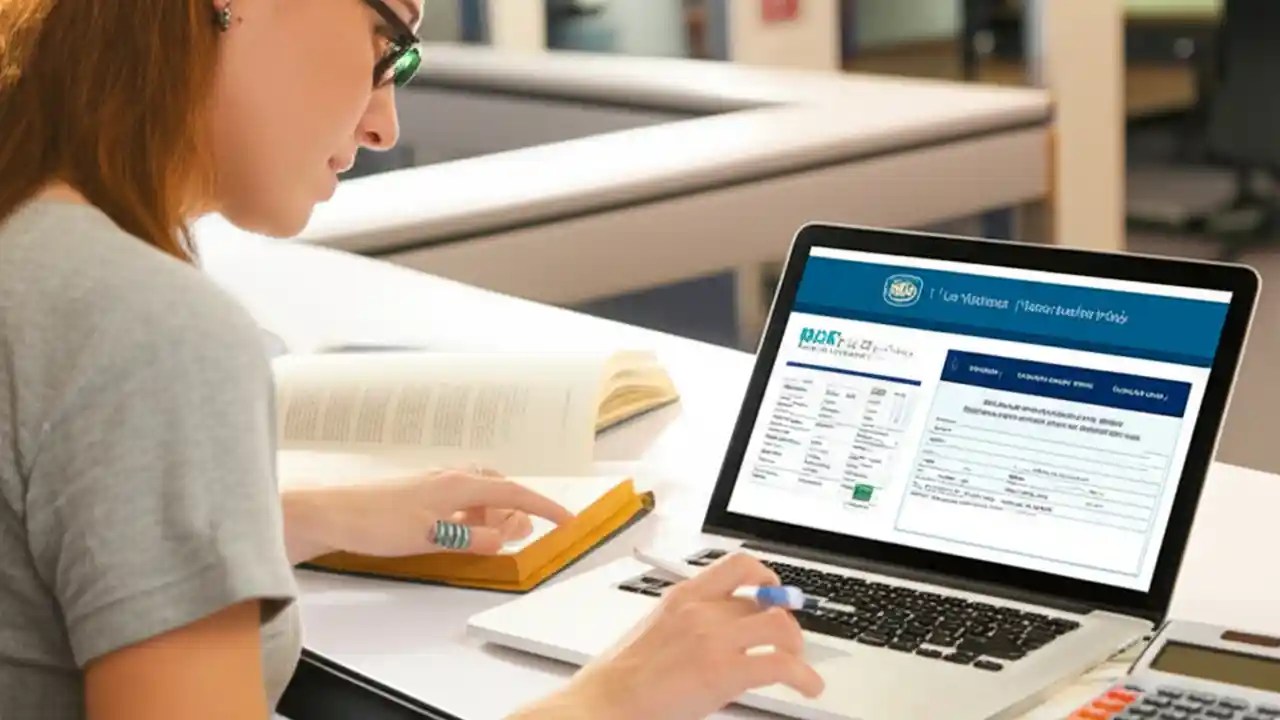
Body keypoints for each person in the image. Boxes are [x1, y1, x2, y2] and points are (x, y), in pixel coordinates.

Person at [0, 1, 825, 719]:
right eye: (384, 43)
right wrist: (614, 698)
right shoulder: (151, 332)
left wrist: (315, 518)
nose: (383, 125)